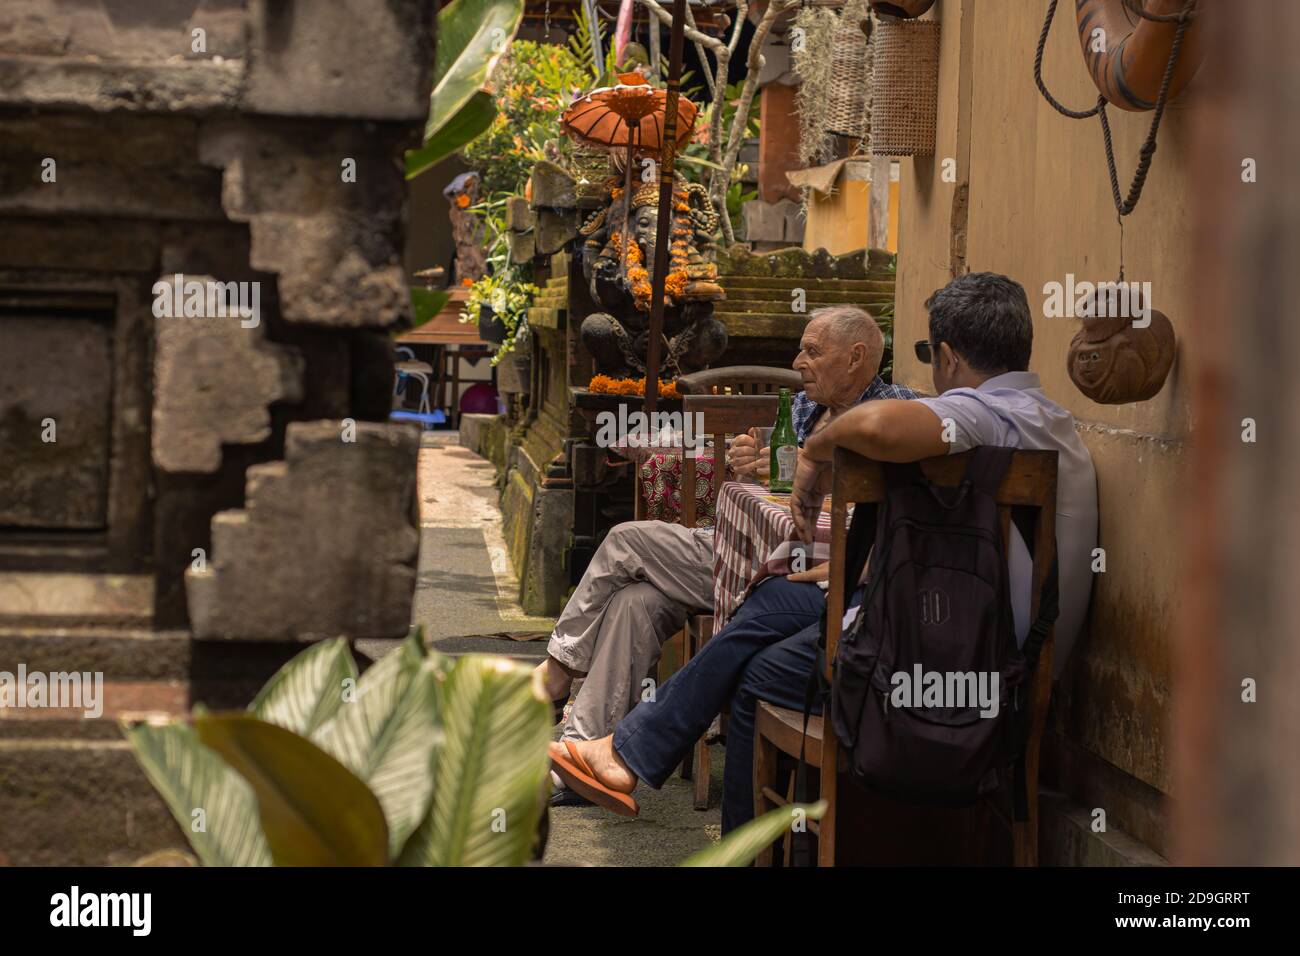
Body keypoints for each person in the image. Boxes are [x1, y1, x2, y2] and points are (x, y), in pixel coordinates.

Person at [551, 272, 1098, 832]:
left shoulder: (988, 415)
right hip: (987, 658)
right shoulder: (1046, 419)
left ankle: (669, 785)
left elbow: (881, 424)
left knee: (753, 661)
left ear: (949, 357)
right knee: (775, 600)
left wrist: (813, 453)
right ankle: (629, 755)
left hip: (957, 669)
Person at [538, 306, 915, 806]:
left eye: (812, 351)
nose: (798, 360)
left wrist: (814, 463)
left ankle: (558, 678)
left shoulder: (895, 408)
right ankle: (579, 755)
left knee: (627, 549)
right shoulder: (804, 407)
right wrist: (753, 460)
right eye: (800, 347)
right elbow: (775, 472)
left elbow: (873, 473)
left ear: (856, 357)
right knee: (636, 600)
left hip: (802, 568)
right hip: (745, 550)